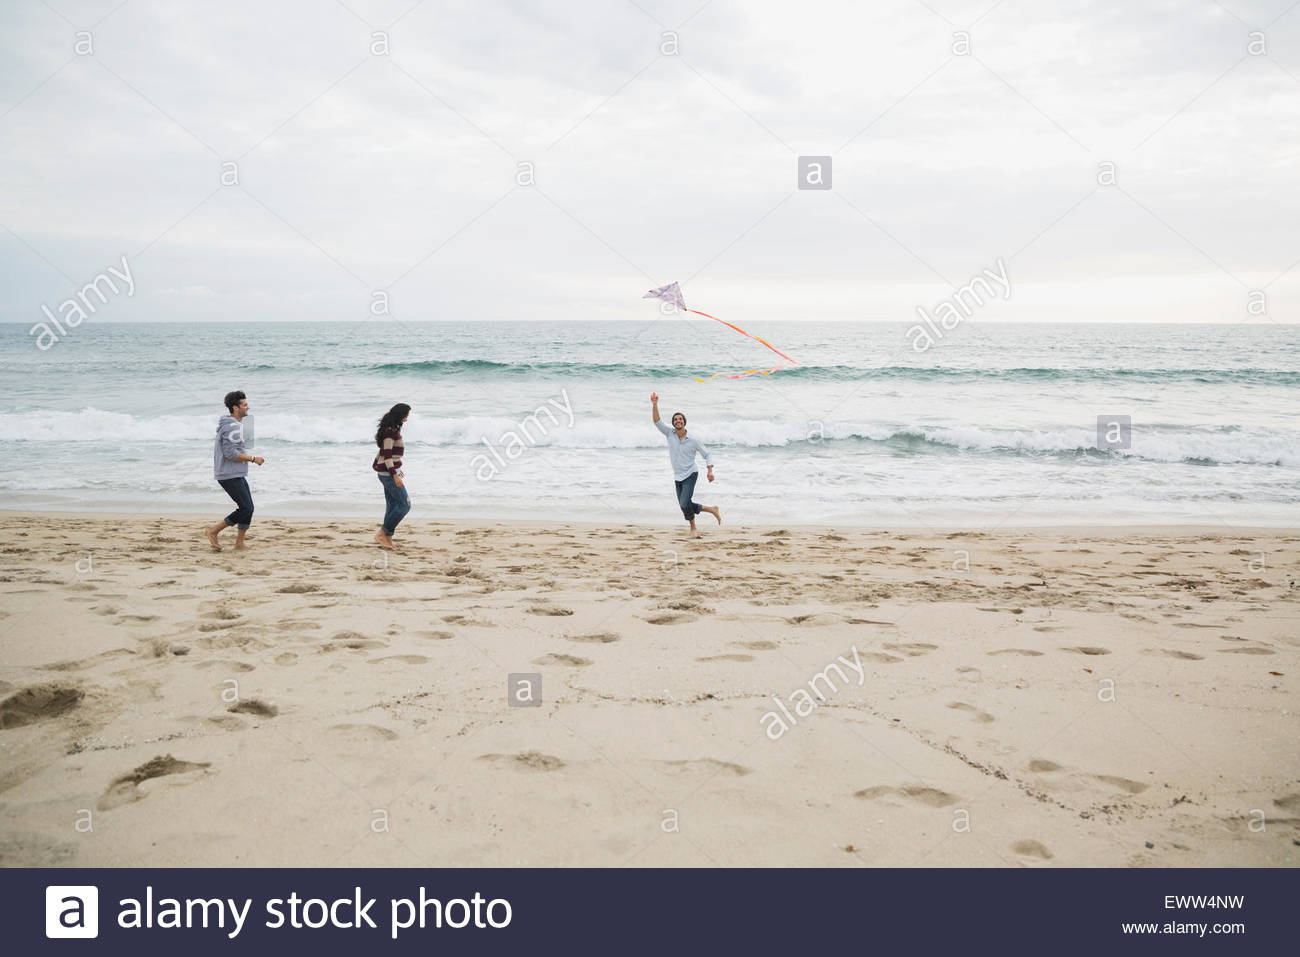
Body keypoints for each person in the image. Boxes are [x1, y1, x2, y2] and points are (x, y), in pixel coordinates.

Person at [651, 392, 721, 535]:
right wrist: (655, 404)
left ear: (684, 422)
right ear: (673, 423)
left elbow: (707, 455)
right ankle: (711, 510)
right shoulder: (669, 433)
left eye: (680, 419)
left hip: (690, 473)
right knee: (684, 505)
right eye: (675, 419)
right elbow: (657, 421)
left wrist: (710, 471)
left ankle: (694, 527)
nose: (678, 421)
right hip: (677, 476)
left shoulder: (693, 439)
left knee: (684, 503)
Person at [205, 390, 264, 551]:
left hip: (235, 472)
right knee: (246, 508)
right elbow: (230, 453)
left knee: (248, 507)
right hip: (228, 474)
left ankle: (239, 543)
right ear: (235, 407)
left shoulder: (233, 425)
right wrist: (253, 459)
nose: (248, 407)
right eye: (244, 405)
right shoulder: (232, 427)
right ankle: (213, 531)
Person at [373, 403, 412, 549]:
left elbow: (391, 456)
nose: (407, 419)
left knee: (392, 506)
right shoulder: (390, 432)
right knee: (404, 505)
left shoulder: (392, 429)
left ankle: (387, 539)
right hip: (388, 474)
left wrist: (398, 468)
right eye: (406, 416)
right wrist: (395, 475)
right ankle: (382, 533)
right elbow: (387, 456)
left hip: (387, 472)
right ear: (400, 415)